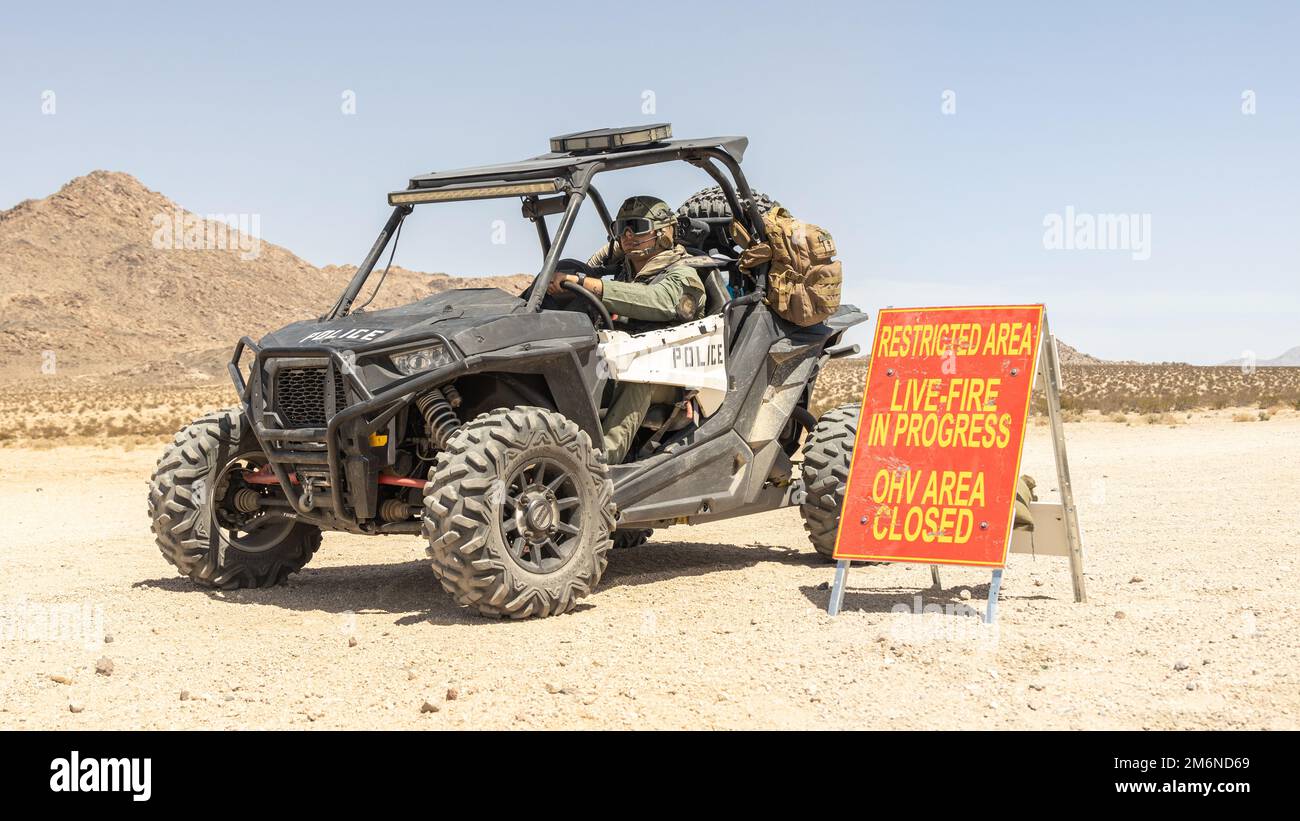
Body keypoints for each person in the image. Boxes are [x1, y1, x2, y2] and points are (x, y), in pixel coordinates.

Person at [547, 196, 706, 464]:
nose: (628, 235)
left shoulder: (684, 273)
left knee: (638, 379)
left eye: (637, 226)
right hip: (619, 360)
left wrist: (591, 285)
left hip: (672, 374)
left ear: (663, 232)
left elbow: (658, 301)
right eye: (622, 228)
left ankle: (602, 465)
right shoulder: (623, 274)